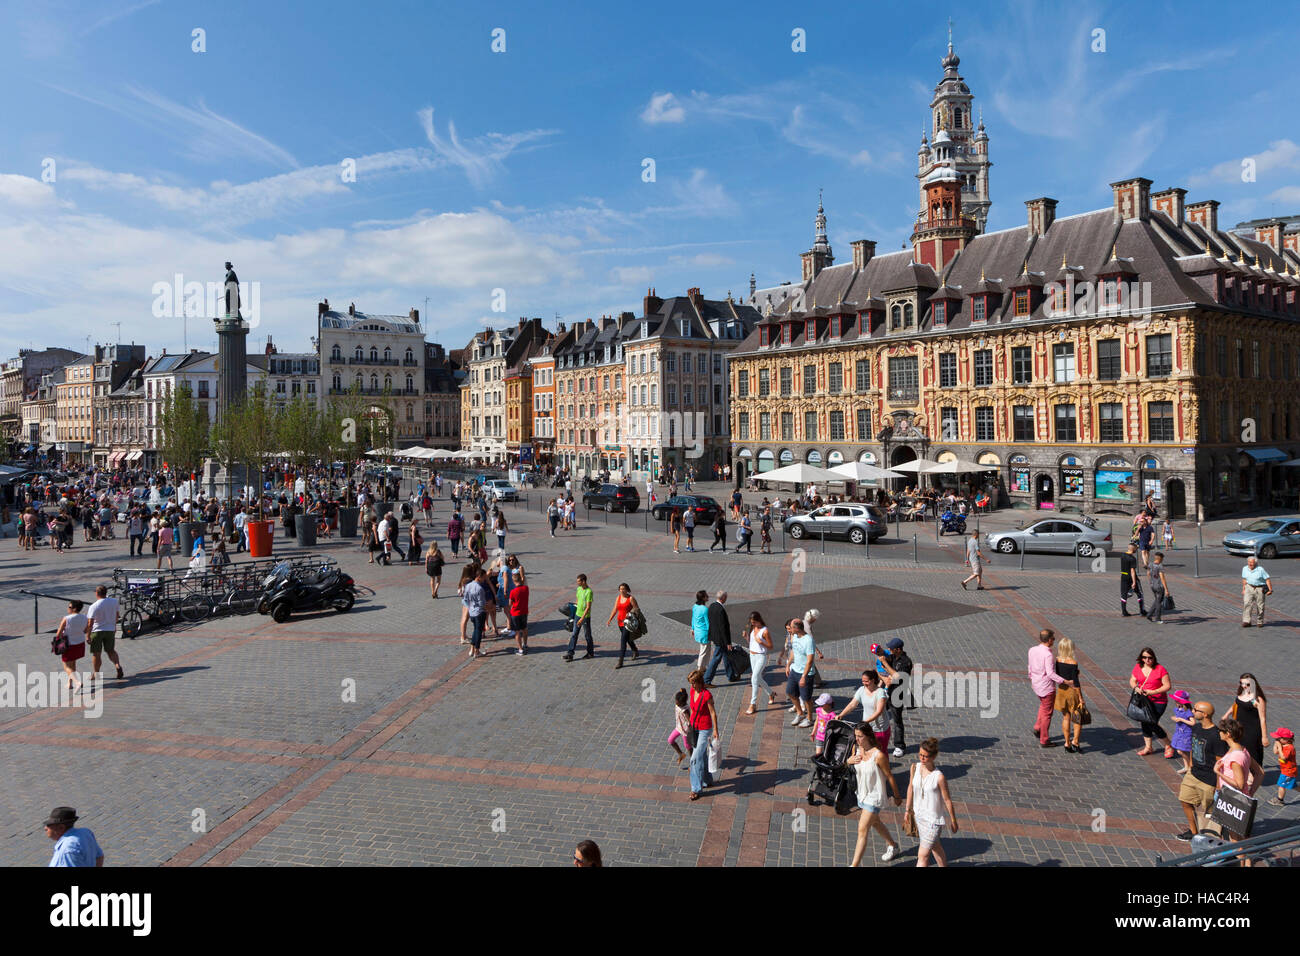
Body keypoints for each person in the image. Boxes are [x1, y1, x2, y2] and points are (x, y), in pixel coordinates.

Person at [847, 723, 901, 865]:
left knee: (862, 830)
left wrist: (897, 796)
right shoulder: (856, 749)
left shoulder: (879, 756)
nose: (857, 739)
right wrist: (848, 761)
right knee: (875, 823)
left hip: (874, 797)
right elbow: (849, 765)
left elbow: (889, 776)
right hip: (862, 794)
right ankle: (893, 846)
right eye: (856, 736)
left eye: (860, 736)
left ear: (869, 736)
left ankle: (854, 865)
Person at [904, 737, 959, 867]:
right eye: (920, 755)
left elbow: (947, 800)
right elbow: (910, 788)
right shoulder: (914, 767)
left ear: (933, 757)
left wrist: (953, 820)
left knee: (922, 855)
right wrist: (907, 810)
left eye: (925, 756)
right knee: (935, 847)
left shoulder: (939, 777)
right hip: (919, 816)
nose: (922, 759)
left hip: (933, 821)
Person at [1213, 718, 1264, 843]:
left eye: (1221, 730)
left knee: (1235, 838)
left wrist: (1218, 772)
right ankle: (1245, 862)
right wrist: (1250, 792)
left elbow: (1240, 784)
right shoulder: (1242, 750)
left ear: (1228, 734)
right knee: (1242, 836)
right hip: (1235, 797)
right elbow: (1260, 772)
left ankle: (1241, 860)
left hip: (1233, 799)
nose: (1219, 732)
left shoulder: (1235, 757)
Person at [1028, 629, 1070, 747]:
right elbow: (1050, 673)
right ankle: (1044, 739)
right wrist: (1064, 681)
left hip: (1036, 684)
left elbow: (1029, 666)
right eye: (1053, 639)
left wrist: (1031, 677)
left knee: (1043, 706)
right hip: (1046, 687)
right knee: (1047, 713)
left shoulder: (1032, 650)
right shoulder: (1048, 655)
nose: (1054, 641)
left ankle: (1038, 727)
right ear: (1049, 640)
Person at [1130, 646, 1171, 756]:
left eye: (1150, 658)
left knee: (1152, 723)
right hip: (1143, 700)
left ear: (1154, 658)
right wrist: (1136, 688)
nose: (1147, 660)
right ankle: (1148, 747)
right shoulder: (1138, 667)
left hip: (1159, 701)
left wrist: (1153, 692)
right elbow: (1132, 680)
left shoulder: (1160, 669)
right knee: (1144, 722)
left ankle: (1168, 744)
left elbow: (1167, 686)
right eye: (1144, 657)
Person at [838, 669, 891, 753]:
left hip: (880, 728)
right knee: (865, 750)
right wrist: (841, 714)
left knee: (880, 752)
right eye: (862, 681)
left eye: (866, 681)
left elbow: (879, 712)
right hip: (866, 728)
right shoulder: (861, 690)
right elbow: (852, 704)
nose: (864, 683)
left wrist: (865, 722)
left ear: (873, 680)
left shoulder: (880, 692)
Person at [686, 668, 719, 800]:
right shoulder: (693, 690)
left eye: (693, 683)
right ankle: (707, 780)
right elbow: (692, 708)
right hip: (695, 728)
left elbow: (713, 713)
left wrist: (716, 730)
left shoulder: (707, 695)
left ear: (699, 682)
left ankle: (696, 789)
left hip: (705, 729)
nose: (692, 685)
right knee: (701, 757)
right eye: (690, 683)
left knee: (694, 758)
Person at [881, 638, 913, 757]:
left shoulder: (906, 661)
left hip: (897, 695)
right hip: (886, 691)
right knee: (878, 716)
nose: (889, 650)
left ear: (898, 649)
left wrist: (885, 663)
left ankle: (899, 746)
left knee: (897, 720)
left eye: (891, 648)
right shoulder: (892, 657)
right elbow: (881, 671)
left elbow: (897, 676)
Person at [1228, 673, 1268, 767]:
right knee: (1239, 751)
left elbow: (1262, 719)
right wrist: (1226, 715)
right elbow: (1236, 704)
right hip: (1239, 728)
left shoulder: (1258, 699)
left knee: (1252, 754)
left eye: (1247, 684)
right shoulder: (1242, 693)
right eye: (1242, 683)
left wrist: (1264, 737)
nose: (1244, 686)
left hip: (1252, 730)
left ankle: (1255, 775)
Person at [743, 611, 779, 716]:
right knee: (758, 678)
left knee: (754, 678)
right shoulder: (753, 628)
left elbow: (771, 646)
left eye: (754, 622)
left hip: (761, 657)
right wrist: (746, 638)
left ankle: (752, 704)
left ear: (759, 620)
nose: (752, 624)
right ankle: (771, 693)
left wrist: (761, 642)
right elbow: (752, 643)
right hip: (752, 655)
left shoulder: (765, 631)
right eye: (751, 622)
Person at [86, 585, 124, 681]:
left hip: (97, 631)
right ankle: (117, 665)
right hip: (110, 630)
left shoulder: (94, 606)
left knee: (96, 654)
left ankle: (96, 674)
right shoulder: (114, 602)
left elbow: (90, 623)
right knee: (111, 651)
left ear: (97, 593)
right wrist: (114, 626)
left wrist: (88, 635)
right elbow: (117, 616)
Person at [1054, 636, 1085, 754]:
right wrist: (1081, 697)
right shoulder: (1073, 662)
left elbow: (1058, 675)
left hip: (1061, 691)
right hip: (1072, 692)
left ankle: (1066, 742)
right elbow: (1076, 683)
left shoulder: (1057, 660)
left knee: (1066, 717)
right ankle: (1075, 741)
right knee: (1077, 718)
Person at [703, 591, 740, 686]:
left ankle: (731, 676)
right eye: (726, 597)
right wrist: (728, 642)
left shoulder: (712, 606)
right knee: (716, 658)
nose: (726, 599)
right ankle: (706, 680)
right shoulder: (721, 610)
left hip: (715, 636)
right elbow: (723, 628)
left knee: (726, 656)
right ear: (723, 598)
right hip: (721, 640)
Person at [785, 617, 816, 728]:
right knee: (790, 692)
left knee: (806, 698)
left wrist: (804, 676)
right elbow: (794, 650)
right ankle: (800, 713)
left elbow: (810, 660)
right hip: (795, 670)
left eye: (791, 628)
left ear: (797, 628)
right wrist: (788, 664)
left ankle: (809, 718)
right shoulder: (795, 637)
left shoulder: (808, 640)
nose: (789, 630)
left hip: (806, 674)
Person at [55, 600, 88, 692]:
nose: (68, 608)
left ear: (74, 608)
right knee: (73, 663)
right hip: (80, 643)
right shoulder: (85, 617)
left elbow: (58, 634)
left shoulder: (66, 618)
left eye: (69, 607)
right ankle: (70, 684)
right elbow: (85, 631)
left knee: (66, 665)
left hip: (69, 644)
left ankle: (77, 682)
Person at [606, 582, 641, 668]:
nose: (622, 591)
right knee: (628, 639)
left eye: (623, 589)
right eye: (620, 589)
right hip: (620, 622)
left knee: (623, 641)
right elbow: (615, 609)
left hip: (628, 623)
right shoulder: (618, 598)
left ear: (627, 590)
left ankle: (620, 661)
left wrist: (630, 613)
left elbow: (636, 609)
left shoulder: (631, 598)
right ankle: (635, 650)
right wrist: (610, 619)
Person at [563, 573, 595, 661]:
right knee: (574, 634)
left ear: (583, 581)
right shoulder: (578, 589)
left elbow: (588, 607)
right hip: (577, 615)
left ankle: (590, 653)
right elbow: (577, 601)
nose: (577, 583)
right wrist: (572, 613)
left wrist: (582, 618)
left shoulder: (589, 592)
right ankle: (570, 653)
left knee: (587, 635)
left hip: (585, 617)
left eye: (578, 581)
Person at [463, 568, 493, 660]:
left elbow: (465, 599)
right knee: (479, 632)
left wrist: (471, 607)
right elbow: (482, 604)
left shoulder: (468, 585)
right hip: (479, 613)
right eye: (484, 577)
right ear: (479, 577)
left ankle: (472, 649)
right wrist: (489, 608)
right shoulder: (480, 588)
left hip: (472, 612)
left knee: (475, 630)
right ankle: (477, 651)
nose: (484, 579)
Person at [1241, 555, 1272, 627]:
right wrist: (1243, 589)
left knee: (1260, 606)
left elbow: (1267, 579)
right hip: (1249, 587)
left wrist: (1270, 590)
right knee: (1247, 604)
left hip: (1259, 588)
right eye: (1249, 562)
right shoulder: (1245, 568)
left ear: (1255, 563)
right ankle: (1246, 621)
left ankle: (1259, 621)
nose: (1250, 564)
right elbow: (1244, 579)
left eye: (1252, 562)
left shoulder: (1260, 569)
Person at [1169, 690, 1195, 775]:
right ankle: (1186, 766)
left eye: (1177, 701)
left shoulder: (1188, 711)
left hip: (1186, 733)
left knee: (1181, 751)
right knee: (1181, 750)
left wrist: (1181, 719)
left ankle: (1189, 766)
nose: (1175, 703)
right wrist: (1175, 718)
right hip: (1179, 732)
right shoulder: (1177, 709)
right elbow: (1177, 717)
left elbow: (1193, 722)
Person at [1269, 728, 1296, 806]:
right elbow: (1275, 752)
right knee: (1293, 785)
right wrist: (1276, 745)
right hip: (1285, 769)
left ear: (1286, 739)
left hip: (1288, 771)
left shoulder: (1289, 748)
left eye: (1278, 738)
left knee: (1281, 785)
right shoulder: (1283, 744)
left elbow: (1283, 757)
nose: (1277, 739)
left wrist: (1280, 748)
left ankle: (1280, 800)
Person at [1119, 543, 1146, 617]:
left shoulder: (1123, 555)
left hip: (1123, 576)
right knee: (1139, 593)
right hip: (1131, 577)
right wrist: (1134, 582)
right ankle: (1142, 611)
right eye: (1136, 548)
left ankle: (1124, 612)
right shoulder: (1132, 558)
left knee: (1123, 594)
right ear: (1133, 549)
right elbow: (1132, 571)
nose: (1137, 549)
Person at [508, 570, 529, 656]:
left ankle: (520, 649)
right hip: (524, 612)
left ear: (513, 581)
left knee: (517, 632)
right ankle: (525, 644)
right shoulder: (526, 588)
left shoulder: (513, 592)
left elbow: (510, 604)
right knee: (524, 629)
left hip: (516, 613)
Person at [1146, 551, 1170, 623]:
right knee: (1159, 602)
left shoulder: (1150, 564)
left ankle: (1149, 614)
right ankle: (1158, 618)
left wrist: (1150, 582)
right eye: (1162, 559)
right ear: (1160, 558)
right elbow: (1162, 578)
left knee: (1157, 600)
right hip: (1159, 587)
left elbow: (1148, 573)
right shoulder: (1160, 566)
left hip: (1153, 586)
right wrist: (1166, 589)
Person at [691, 590, 711, 671]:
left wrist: (692, 628)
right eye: (706, 596)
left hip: (698, 632)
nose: (708, 597)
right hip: (704, 633)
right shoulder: (705, 609)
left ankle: (704, 667)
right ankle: (700, 668)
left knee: (705, 650)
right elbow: (708, 623)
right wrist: (712, 633)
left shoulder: (695, 606)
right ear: (703, 598)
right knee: (703, 652)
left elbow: (693, 618)